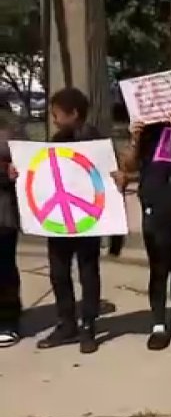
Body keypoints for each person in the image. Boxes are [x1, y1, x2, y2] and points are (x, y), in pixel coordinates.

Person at [12, 88, 108, 354]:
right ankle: (66, 323)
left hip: (87, 219)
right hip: (59, 220)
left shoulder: (93, 140)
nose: (53, 119)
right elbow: (44, 171)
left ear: (73, 114)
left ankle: (88, 324)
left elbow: (103, 175)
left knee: (88, 272)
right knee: (58, 272)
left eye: (56, 114)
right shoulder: (56, 139)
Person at [116, 113, 171, 350]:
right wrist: (135, 138)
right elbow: (127, 166)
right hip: (155, 206)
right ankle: (159, 323)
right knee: (159, 268)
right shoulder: (146, 136)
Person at [0, 112, 26, 347]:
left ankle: (8, 320)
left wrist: (11, 171)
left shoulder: (10, 130)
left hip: (3, 212)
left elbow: (26, 161)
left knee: (4, 268)